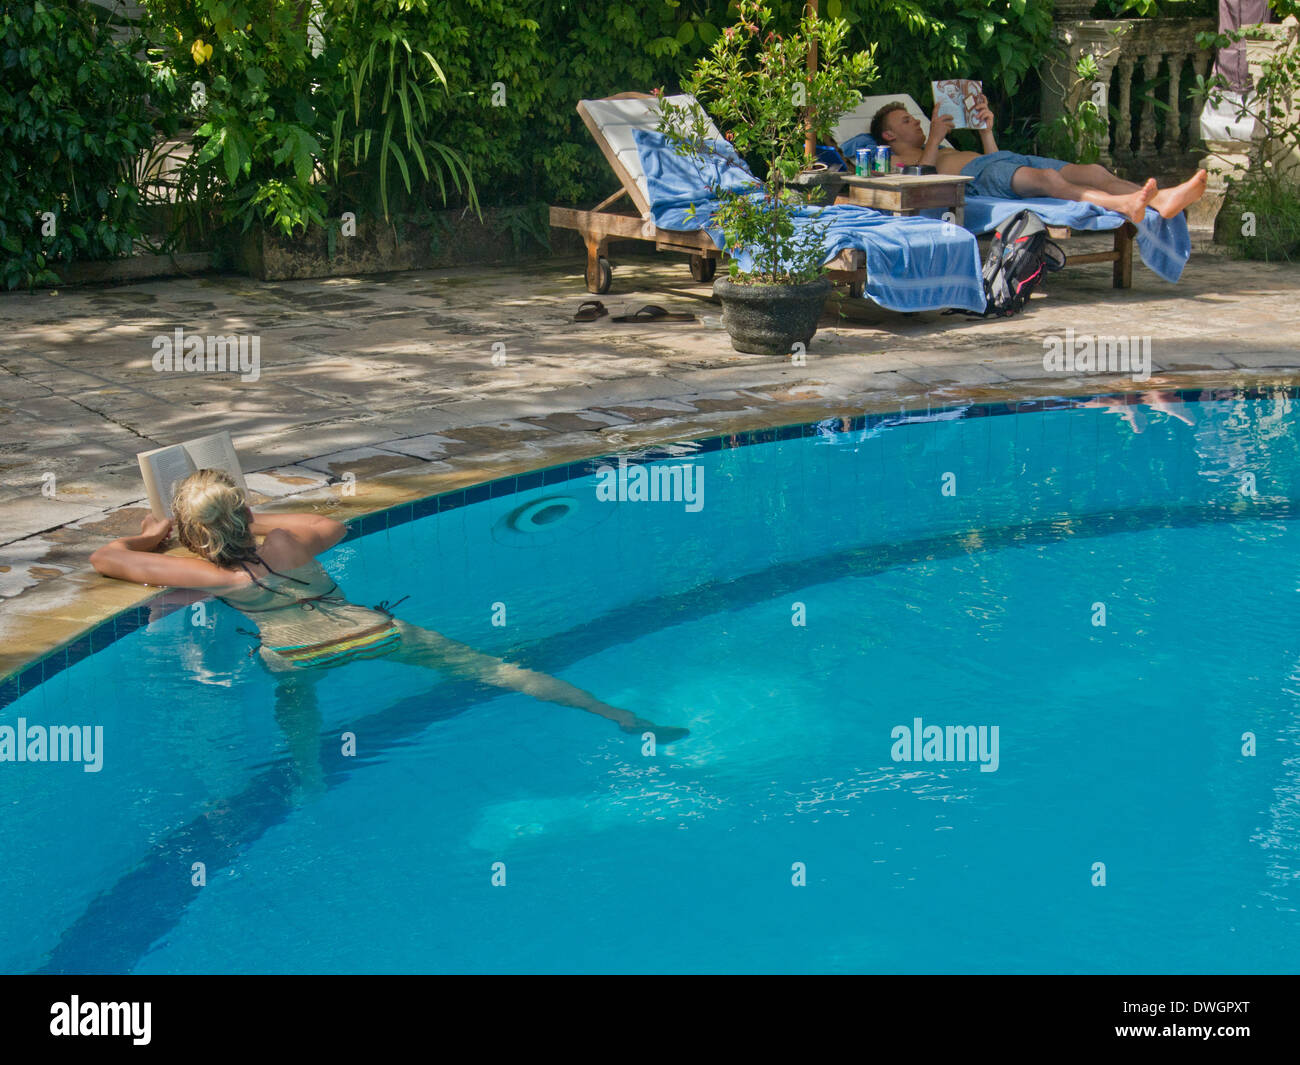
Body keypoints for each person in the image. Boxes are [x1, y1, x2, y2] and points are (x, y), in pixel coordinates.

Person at [90, 470, 688, 756]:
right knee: (497, 671)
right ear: (244, 515)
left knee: (295, 704)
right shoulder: (286, 544)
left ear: (197, 533)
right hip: (370, 629)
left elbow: (105, 558)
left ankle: (307, 779)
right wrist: (255, 519)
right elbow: (334, 524)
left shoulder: (204, 573)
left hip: (296, 650)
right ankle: (617, 715)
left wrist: (153, 534)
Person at [869, 97, 1207, 225]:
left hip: (1000, 161)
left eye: (913, 117)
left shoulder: (936, 145)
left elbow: (995, 160)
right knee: (1050, 180)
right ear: (888, 136)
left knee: (1093, 170)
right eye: (905, 121)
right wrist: (933, 140)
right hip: (977, 177)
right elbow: (920, 181)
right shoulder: (895, 160)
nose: (915, 121)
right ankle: (1126, 204)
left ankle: (1162, 199)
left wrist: (987, 131)